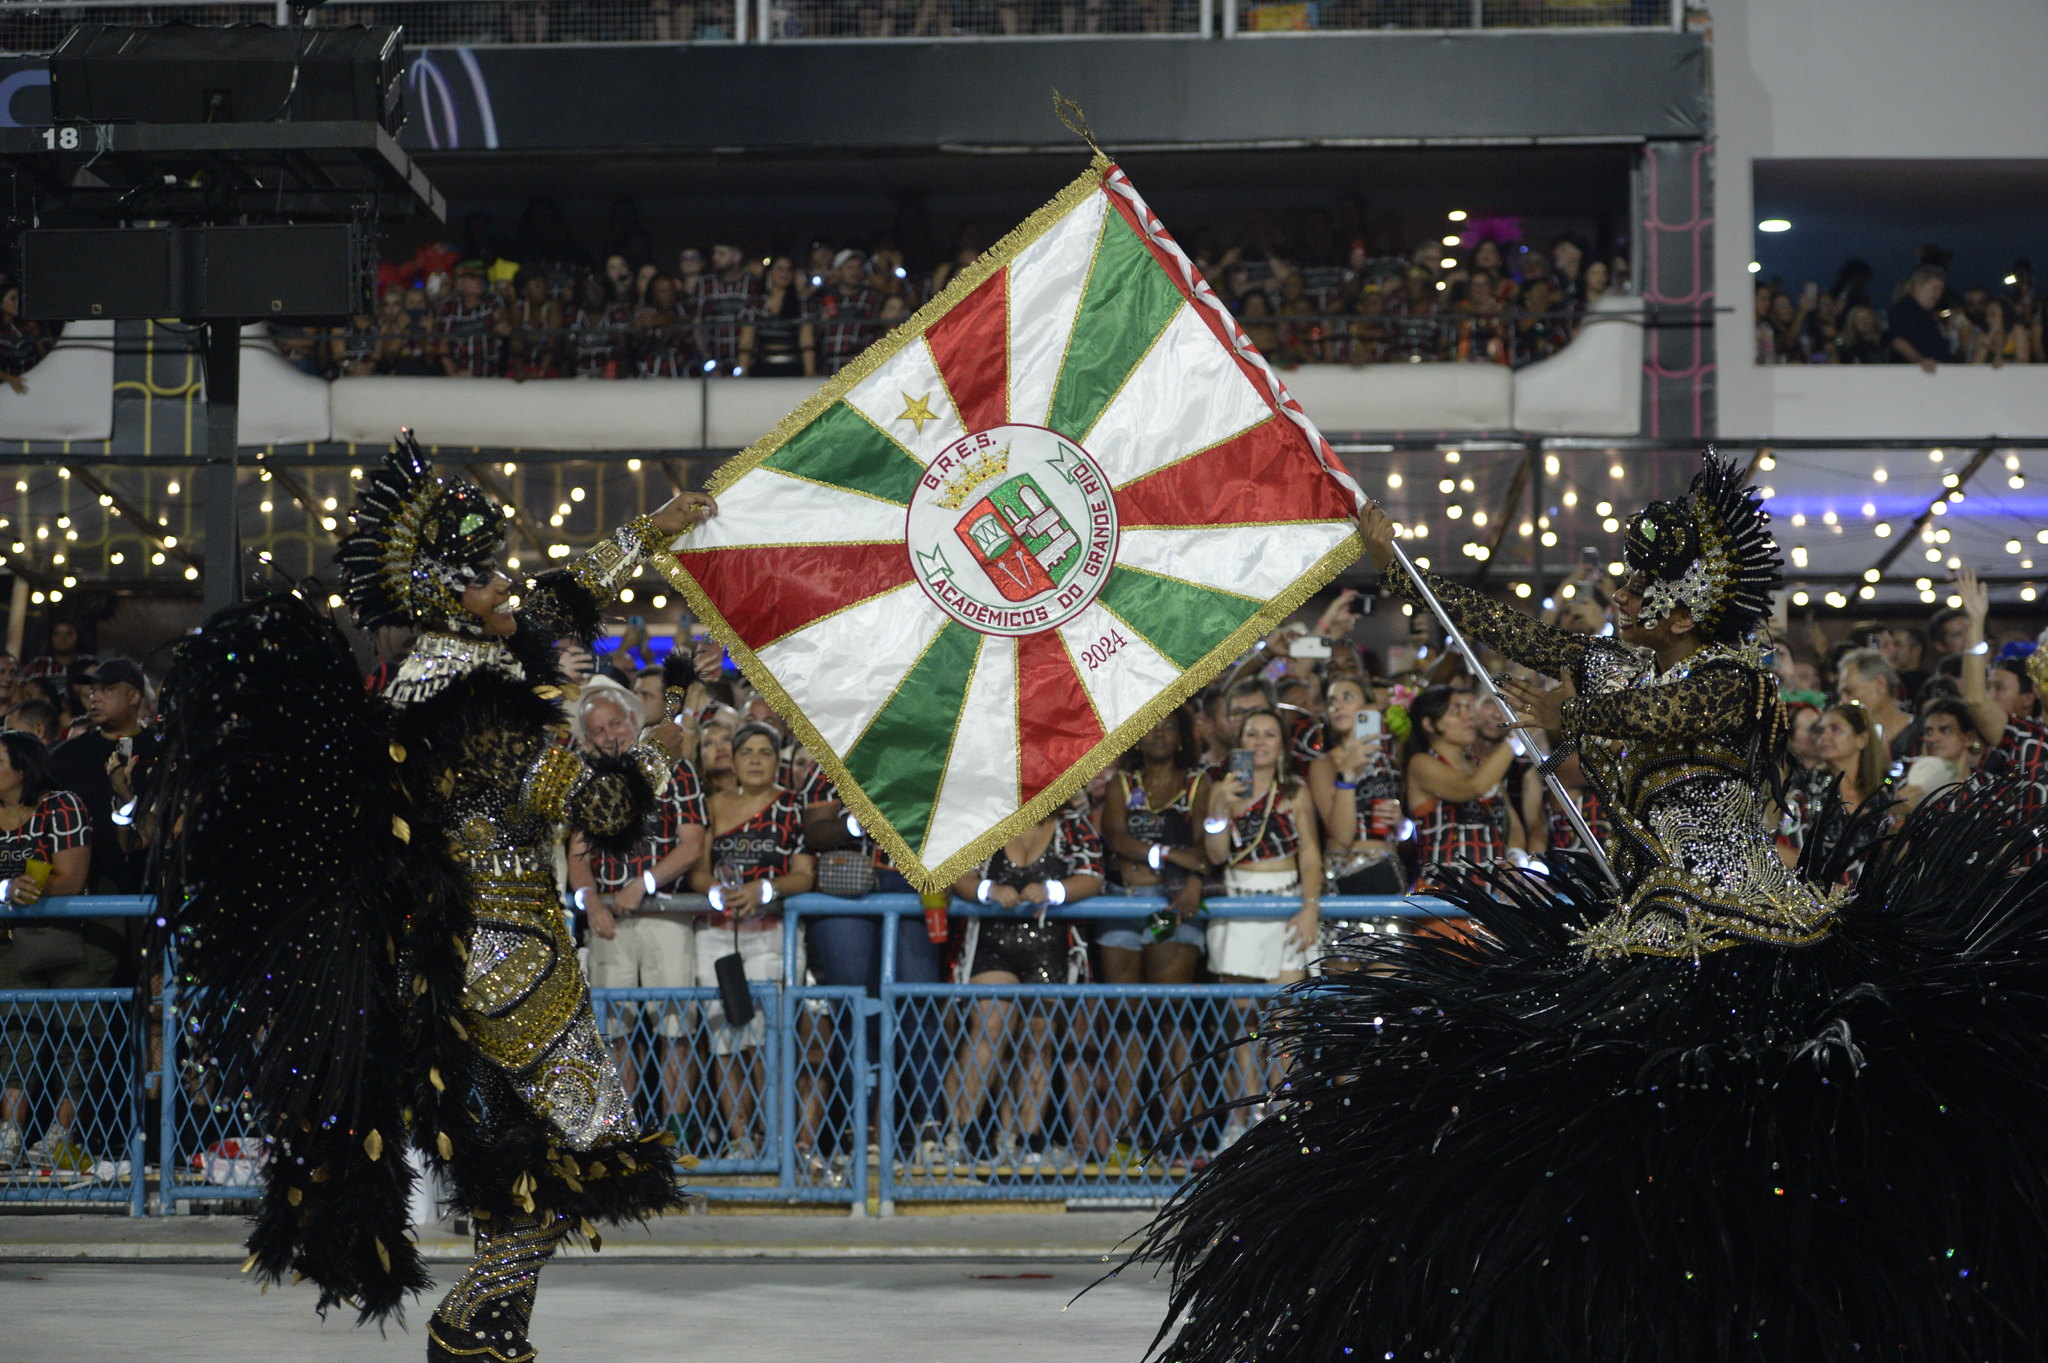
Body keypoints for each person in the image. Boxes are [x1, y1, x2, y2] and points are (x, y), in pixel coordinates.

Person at [1127, 450, 2048, 1363]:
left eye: (1645, 592)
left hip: (1751, 931)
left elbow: (1664, 723)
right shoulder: (1616, 670)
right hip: (1642, 927)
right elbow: (1508, 628)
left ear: (1689, 606)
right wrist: (1396, 558)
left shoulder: (1737, 680)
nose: (1628, 605)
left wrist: (1571, 710)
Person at [144, 434, 713, 1359]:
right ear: (453, 593)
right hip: (506, 967)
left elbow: (558, 598)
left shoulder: (435, 675)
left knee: (514, 1165)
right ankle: (470, 1321)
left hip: (460, 970)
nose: (507, 588)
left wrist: (650, 530)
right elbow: (601, 810)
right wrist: (651, 745)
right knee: (568, 1158)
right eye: (488, 577)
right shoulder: (478, 708)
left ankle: (491, 1333)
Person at [565, 679, 708, 1145]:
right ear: (589, 739)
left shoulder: (678, 773)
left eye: (615, 723)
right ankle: (621, 1137)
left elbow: (692, 846)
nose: (610, 735)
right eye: (598, 730)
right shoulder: (587, 780)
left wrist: (642, 884)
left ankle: (676, 1138)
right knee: (614, 1033)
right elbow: (578, 858)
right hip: (610, 923)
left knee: (676, 1030)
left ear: (633, 721)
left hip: (667, 914)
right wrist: (589, 902)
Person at [943, 804, 1104, 1170]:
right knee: (989, 1029)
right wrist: (988, 890)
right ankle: (964, 1133)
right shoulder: (986, 817)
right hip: (993, 943)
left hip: (1049, 948)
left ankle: (1025, 1139)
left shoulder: (1073, 825)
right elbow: (958, 873)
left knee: (1038, 1042)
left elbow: (1094, 876)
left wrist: (1055, 890)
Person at [687, 721, 815, 1162]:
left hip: (772, 935)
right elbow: (697, 870)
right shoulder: (712, 806)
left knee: (768, 1040)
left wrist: (766, 890)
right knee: (725, 1037)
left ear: (777, 760)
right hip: (717, 933)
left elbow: (805, 875)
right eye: (748, 752)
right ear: (734, 760)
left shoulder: (792, 807)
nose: (756, 759)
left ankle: (776, 1137)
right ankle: (741, 1139)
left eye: (765, 751)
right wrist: (715, 891)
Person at [1096, 712, 1211, 1166]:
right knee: (1127, 1019)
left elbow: (1202, 850)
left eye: (1168, 726)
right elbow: (1115, 837)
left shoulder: (1198, 784)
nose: (1159, 733)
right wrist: (1169, 854)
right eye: (1151, 725)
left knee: (1170, 1017)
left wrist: (1187, 869)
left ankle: (1171, 1133)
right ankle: (1125, 1134)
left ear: (1182, 735)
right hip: (1123, 903)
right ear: (1136, 736)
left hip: (1170, 907)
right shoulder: (1122, 783)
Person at [0, 730, 96, 1172]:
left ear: (23, 768)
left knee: (74, 1038)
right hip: (11, 941)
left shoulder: (61, 804)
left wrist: (28, 888)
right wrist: (8, 888)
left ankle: (61, 1138)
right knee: (15, 1040)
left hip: (73, 938)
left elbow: (70, 881)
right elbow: (26, 886)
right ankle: (10, 1138)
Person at [737, 255, 818, 378]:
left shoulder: (802, 305)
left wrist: (810, 374)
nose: (784, 273)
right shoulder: (755, 305)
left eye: (788, 269)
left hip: (793, 368)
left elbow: (806, 343)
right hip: (762, 367)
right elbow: (746, 343)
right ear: (770, 273)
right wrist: (742, 373)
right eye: (780, 269)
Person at [1888, 264, 1953, 371]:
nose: (1938, 295)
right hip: (1914, 377)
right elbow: (1898, 341)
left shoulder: (1928, 314)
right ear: (1918, 286)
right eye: (1935, 289)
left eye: (1941, 290)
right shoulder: (1903, 310)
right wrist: (1920, 361)